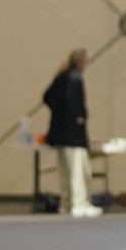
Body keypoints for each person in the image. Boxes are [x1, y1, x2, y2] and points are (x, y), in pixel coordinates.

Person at [42, 48, 102, 217]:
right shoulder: (75, 78)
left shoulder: (60, 77)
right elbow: (73, 100)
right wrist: (78, 116)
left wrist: (58, 113)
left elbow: (46, 97)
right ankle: (80, 202)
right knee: (79, 170)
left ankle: (66, 202)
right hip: (73, 134)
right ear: (80, 62)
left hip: (59, 132)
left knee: (65, 170)